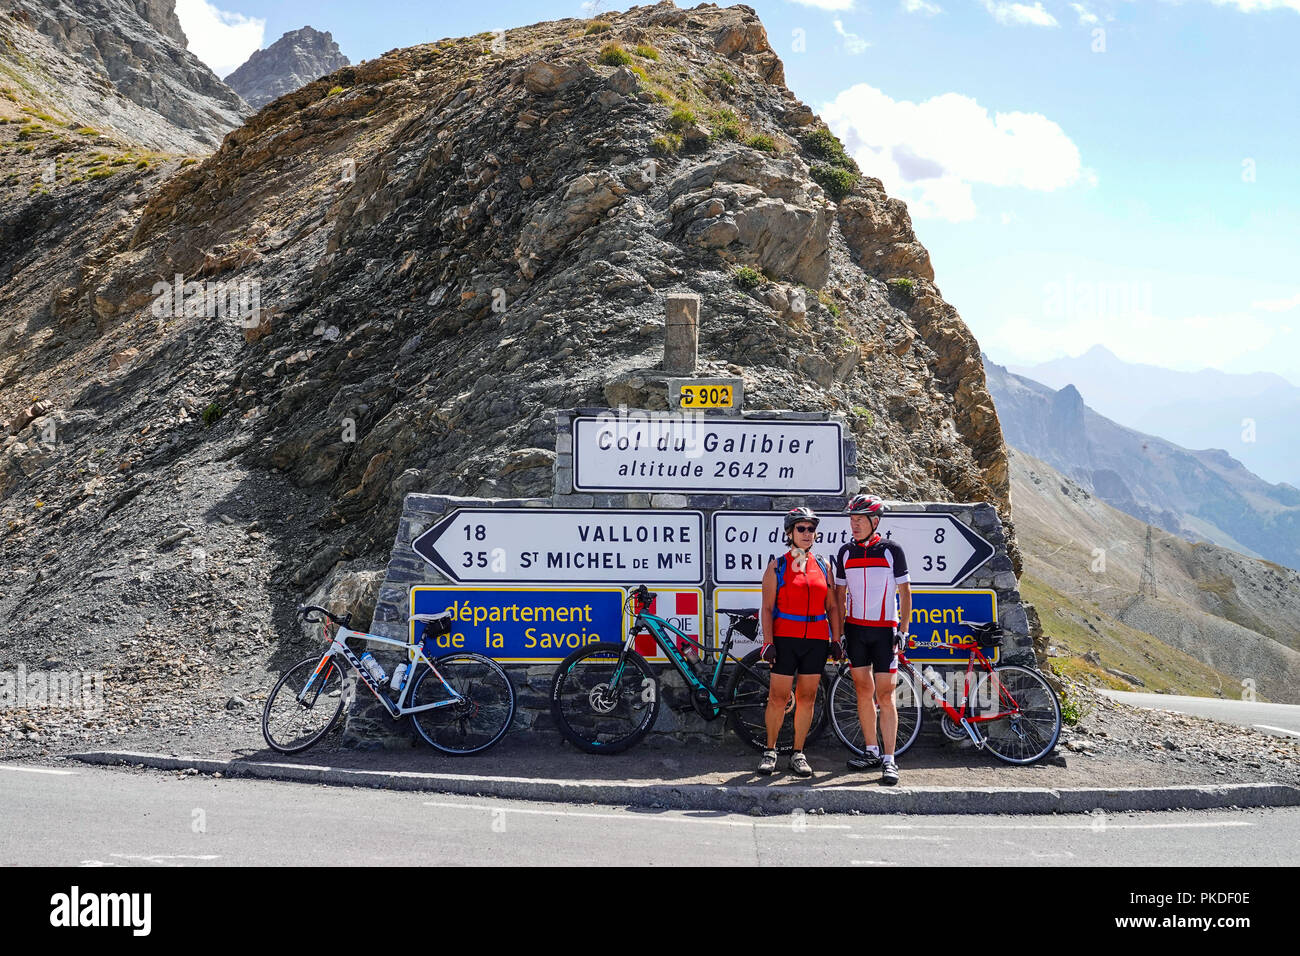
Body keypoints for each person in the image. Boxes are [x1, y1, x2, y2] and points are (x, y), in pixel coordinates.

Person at [757, 507, 843, 777]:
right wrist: (768, 642)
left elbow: (832, 607)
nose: (807, 533)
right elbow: (767, 608)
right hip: (785, 639)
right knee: (778, 698)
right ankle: (770, 751)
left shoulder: (823, 565)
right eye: (801, 529)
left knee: (807, 698)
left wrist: (836, 638)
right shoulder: (778, 566)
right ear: (790, 533)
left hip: (816, 640)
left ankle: (798, 753)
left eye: (811, 529)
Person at [833, 494, 912, 786]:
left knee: (886, 696)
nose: (854, 525)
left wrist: (903, 630)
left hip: (883, 632)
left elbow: (905, 593)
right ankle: (870, 750)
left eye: (859, 520)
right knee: (863, 692)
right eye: (851, 520)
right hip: (855, 631)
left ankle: (889, 760)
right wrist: (838, 633)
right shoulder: (845, 553)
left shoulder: (892, 550)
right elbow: (839, 597)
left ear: (874, 521)